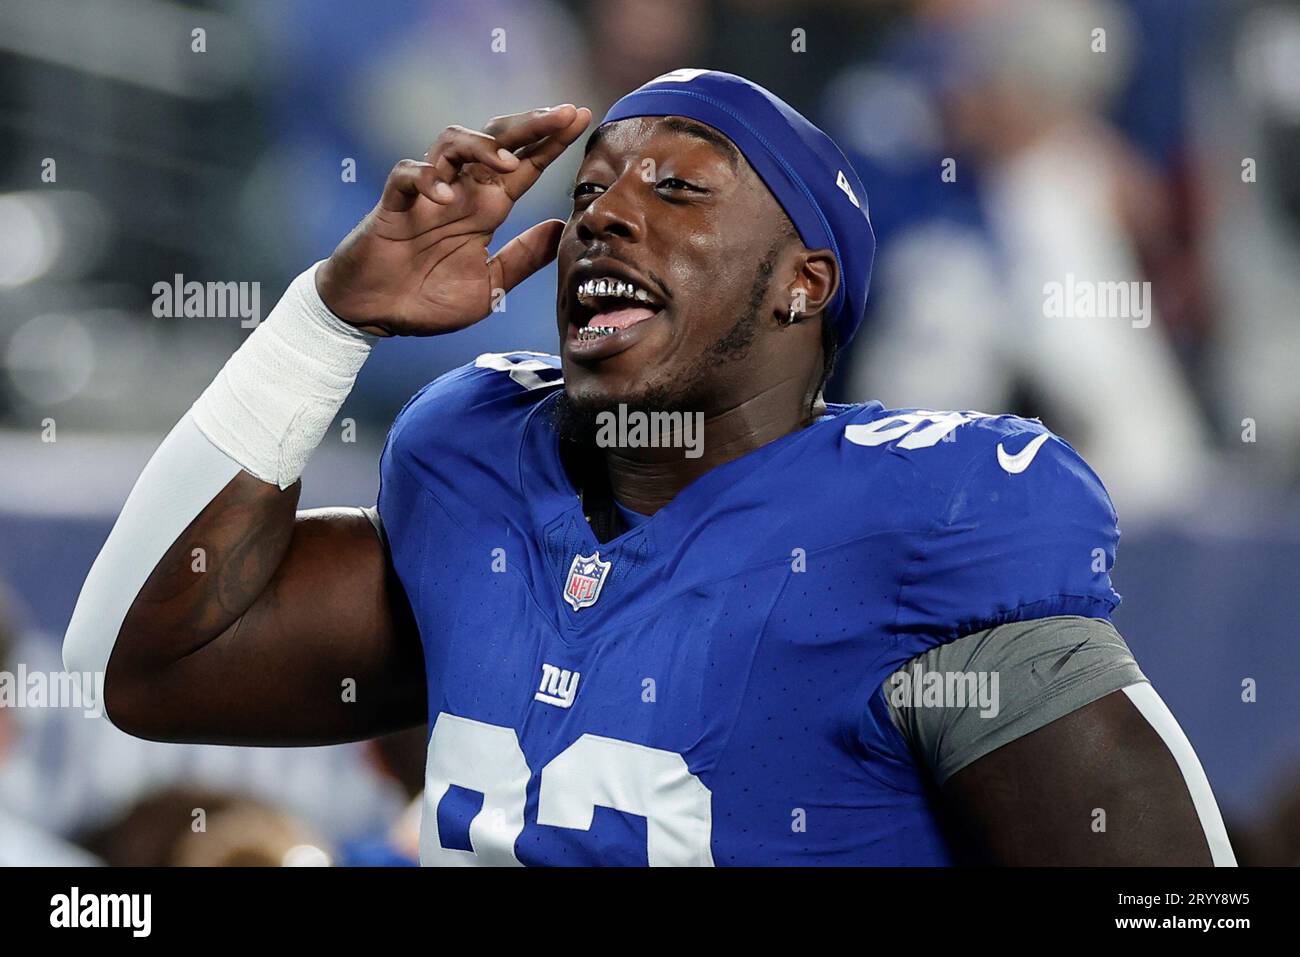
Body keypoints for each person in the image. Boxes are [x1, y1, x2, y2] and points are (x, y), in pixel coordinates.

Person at [64, 70, 1234, 866]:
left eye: (677, 189)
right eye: (588, 193)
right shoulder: (483, 482)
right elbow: (137, 666)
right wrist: (327, 322)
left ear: (803, 283)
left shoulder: (920, 533)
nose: (607, 217)